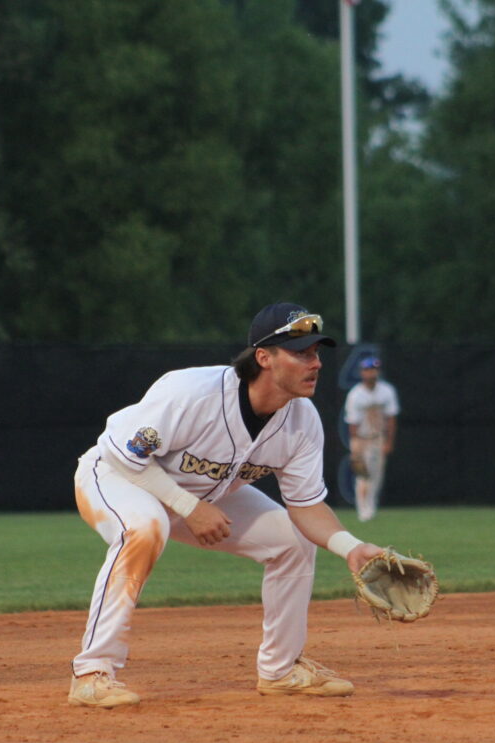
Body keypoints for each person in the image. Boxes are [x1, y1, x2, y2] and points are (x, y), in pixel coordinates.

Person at [69, 302, 388, 708]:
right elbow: (124, 458)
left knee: (292, 541)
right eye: (302, 353)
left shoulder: (301, 421)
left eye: (316, 353)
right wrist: (188, 506)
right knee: (145, 528)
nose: (316, 363)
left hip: (200, 497)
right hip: (117, 477)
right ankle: (92, 672)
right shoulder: (191, 393)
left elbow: (306, 507)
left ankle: (281, 669)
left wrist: (351, 547)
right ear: (264, 357)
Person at [344, 356, 399, 522]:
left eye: (373, 369)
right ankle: (363, 510)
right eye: (367, 370)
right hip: (362, 438)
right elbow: (352, 423)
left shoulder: (386, 391)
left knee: (376, 475)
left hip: (378, 438)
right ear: (362, 372)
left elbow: (391, 419)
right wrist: (354, 445)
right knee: (363, 475)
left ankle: (371, 506)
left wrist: (389, 441)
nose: (371, 373)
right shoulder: (356, 394)